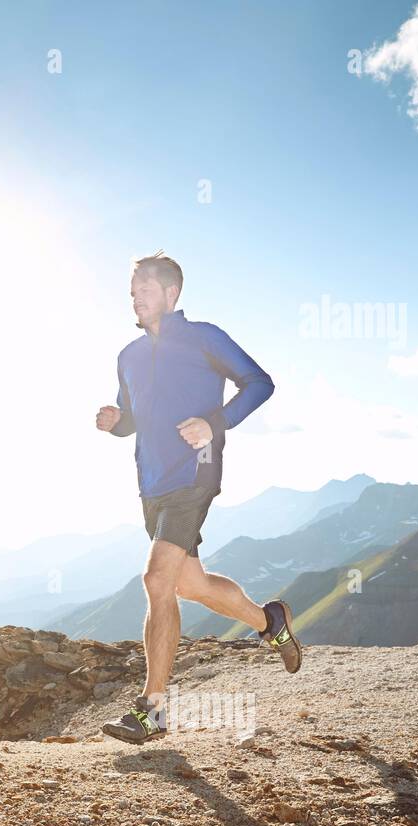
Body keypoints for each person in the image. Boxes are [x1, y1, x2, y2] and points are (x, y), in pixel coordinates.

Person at [95, 250, 302, 744]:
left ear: (171, 294)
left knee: (156, 579)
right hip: (153, 482)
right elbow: (133, 418)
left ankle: (153, 710)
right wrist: (115, 422)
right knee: (190, 583)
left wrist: (215, 422)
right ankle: (270, 622)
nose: (136, 298)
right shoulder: (128, 356)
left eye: (145, 290)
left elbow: (259, 383)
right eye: (132, 291)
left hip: (196, 472)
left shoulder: (204, 337)